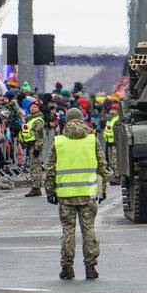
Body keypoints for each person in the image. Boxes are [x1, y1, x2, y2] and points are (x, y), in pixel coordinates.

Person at [45, 106, 108, 280]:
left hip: (65, 195)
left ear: (66, 120)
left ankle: (67, 267)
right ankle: (90, 267)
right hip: (88, 194)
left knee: (68, 230)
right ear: (82, 119)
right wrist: (102, 190)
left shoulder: (59, 141)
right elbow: (102, 167)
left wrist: (50, 191)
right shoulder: (92, 140)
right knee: (89, 230)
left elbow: (51, 169)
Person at [20, 100, 46, 196]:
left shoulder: (38, 120)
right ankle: (36, 188)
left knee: (35, 168)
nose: (32, 108)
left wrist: (37, 148)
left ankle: (36, 188)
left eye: (35, 107)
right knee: (33, 167)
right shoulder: (30, 119)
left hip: (35, 146)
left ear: (38, 109)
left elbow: (40, 136)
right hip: (30, 145)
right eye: (31, 106)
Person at [102, 102, 120, 180]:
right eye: (111, 109)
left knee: (115, 160)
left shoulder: (117, 120)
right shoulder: (109, 119)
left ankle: (117, 175)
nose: (111, 111)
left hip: (115, 143)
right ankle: (113, 174)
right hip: (109, 142)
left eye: (114, 110)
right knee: (111, 160)